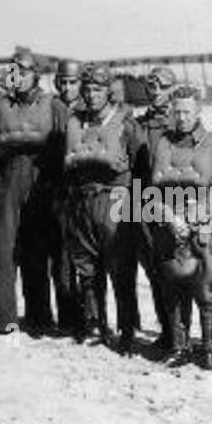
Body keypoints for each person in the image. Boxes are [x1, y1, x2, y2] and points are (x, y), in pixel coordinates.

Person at [0, 50, 67, 333]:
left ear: (36, 76)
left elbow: (65, 146)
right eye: (13, 73)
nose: (17, 78)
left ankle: (39, 317)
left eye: (24, 73)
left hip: (41, 181)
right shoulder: (0, 107)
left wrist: (56, 189)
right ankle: (4, 318)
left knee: (36, 251)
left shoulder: (53, 106)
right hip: (6, 181)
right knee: (1, 251)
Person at [148, 86, 212, 368]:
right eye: (177, 111)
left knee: (205, 292)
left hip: (202, 227)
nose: (181, 118)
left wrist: (194, 221)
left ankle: (208, 348)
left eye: (187, 112)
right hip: (169, 225)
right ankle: (180, 348)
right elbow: (151, 191)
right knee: (173, 290)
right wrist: (170, 219)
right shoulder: (162, 143)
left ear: (198, 112)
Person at [62, 64, 140, 350]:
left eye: (97, 89)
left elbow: (140, 167)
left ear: (109, 91)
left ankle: (127, 329)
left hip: (115, 200)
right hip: (82, 200)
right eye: (88, 89)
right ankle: (95, 324)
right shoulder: (75, 122)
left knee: (120, 269)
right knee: (87, 268)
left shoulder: (126, 123)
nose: (92, 95)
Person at [130, 66, 179, 352]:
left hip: (172, 202)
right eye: (152, 88)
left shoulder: (180, 123)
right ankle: (167, 332)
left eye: (162, 87)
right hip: (142, 201)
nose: (156, 92)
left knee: (174, 270)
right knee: (152, 269)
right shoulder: (138, 125)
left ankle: (179, 335)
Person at [50, 59, 85, 336]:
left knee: (86, 260)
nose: (67, 87)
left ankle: (90, 318)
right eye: (62, 82)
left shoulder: (91, 111)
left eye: (72, 82)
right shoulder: (50, 108)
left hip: (84, 196)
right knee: (61, 261)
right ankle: (66, 318)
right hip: (59, 194)